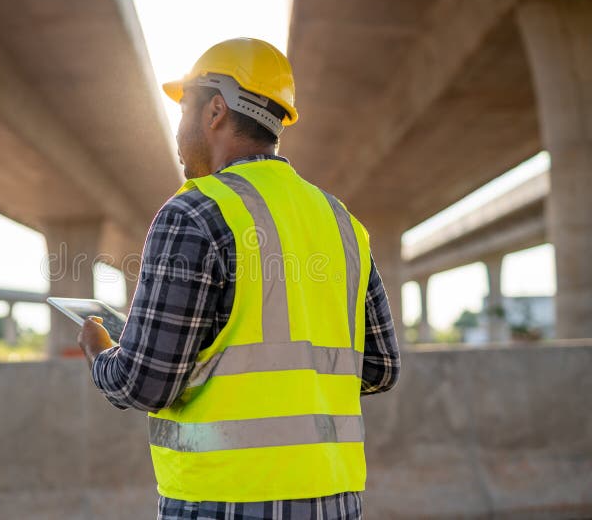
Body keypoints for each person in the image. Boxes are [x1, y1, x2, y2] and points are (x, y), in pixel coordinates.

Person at [78, 37, 400, 520]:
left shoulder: (195, 212)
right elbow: (379, 368)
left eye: (183, 109)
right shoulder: (342, 223)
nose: (179, 127)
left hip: (222, 502)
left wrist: (100, 351)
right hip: (334, 502)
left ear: (214, 111)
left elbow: (143, 384)